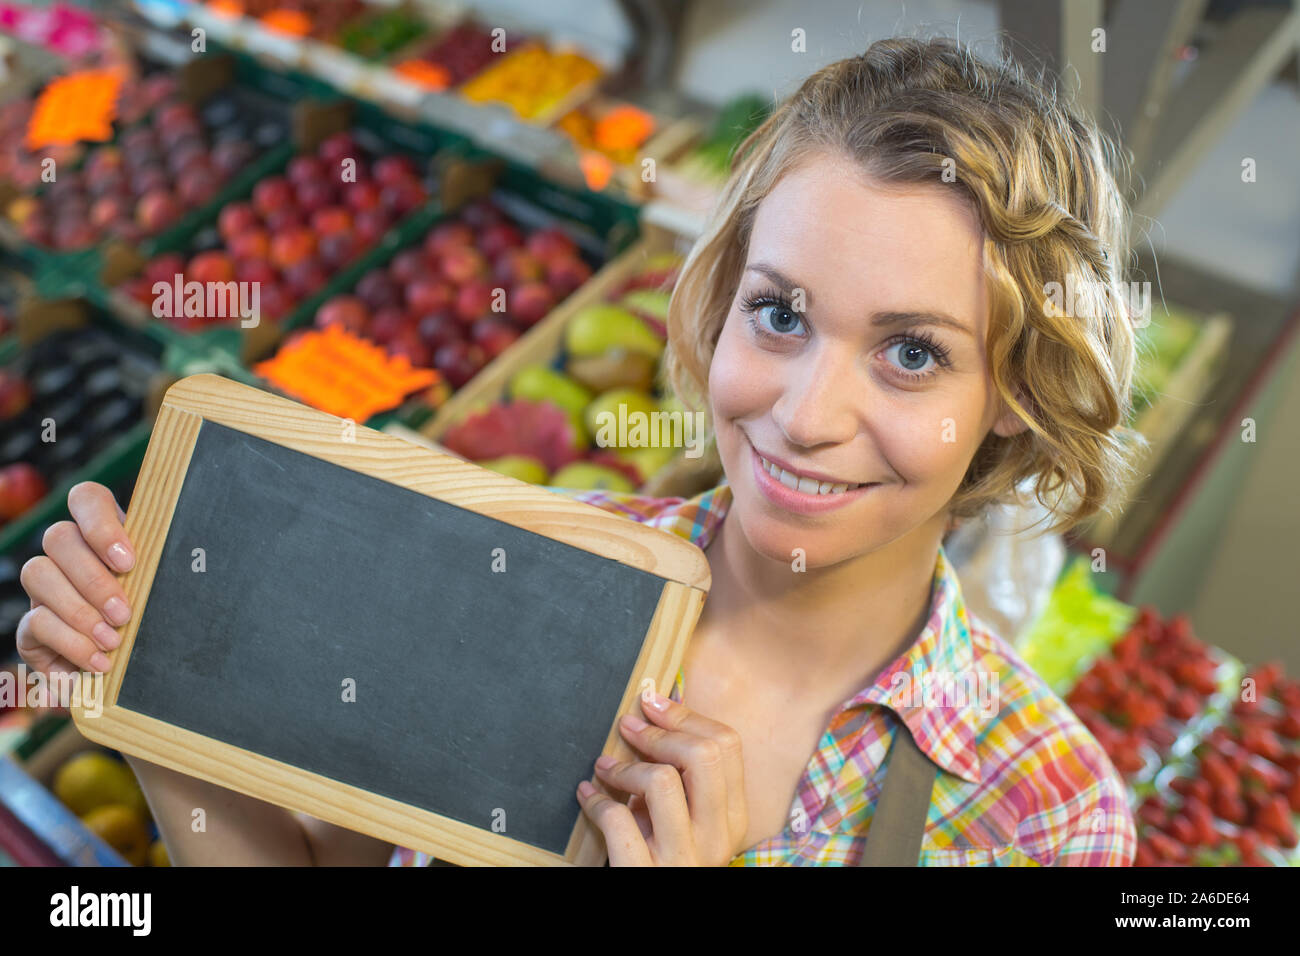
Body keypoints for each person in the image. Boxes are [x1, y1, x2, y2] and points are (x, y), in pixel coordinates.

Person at [17, 35, 1141, 866]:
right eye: (781, 314)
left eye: (910, 351)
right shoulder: (525, 568)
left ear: (1014, 391)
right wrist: (144, 686)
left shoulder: (1041, 809)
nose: (804, 415)